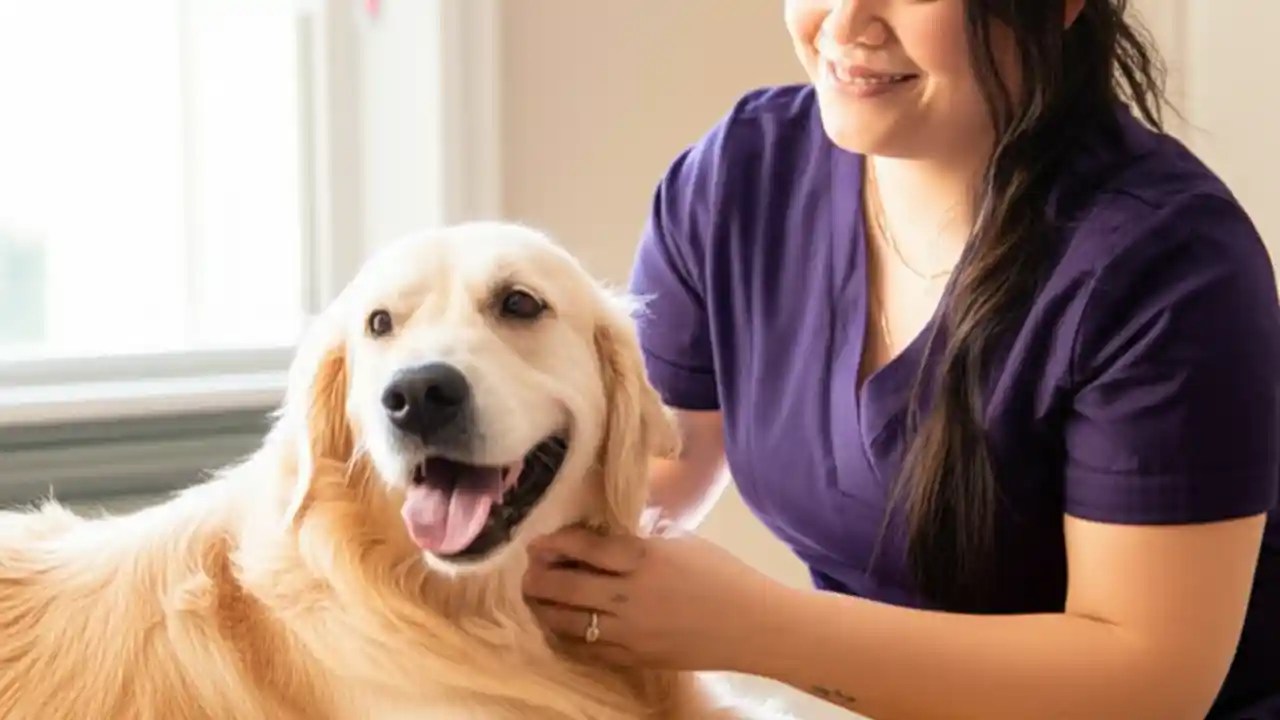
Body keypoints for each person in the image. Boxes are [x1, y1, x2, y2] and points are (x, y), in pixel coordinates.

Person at [521, 1, 1280, 717]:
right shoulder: (740, 177)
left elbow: (1149, 685)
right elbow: (647, 468)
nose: (845, 22)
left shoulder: (1169, 265)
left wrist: (750, 625)